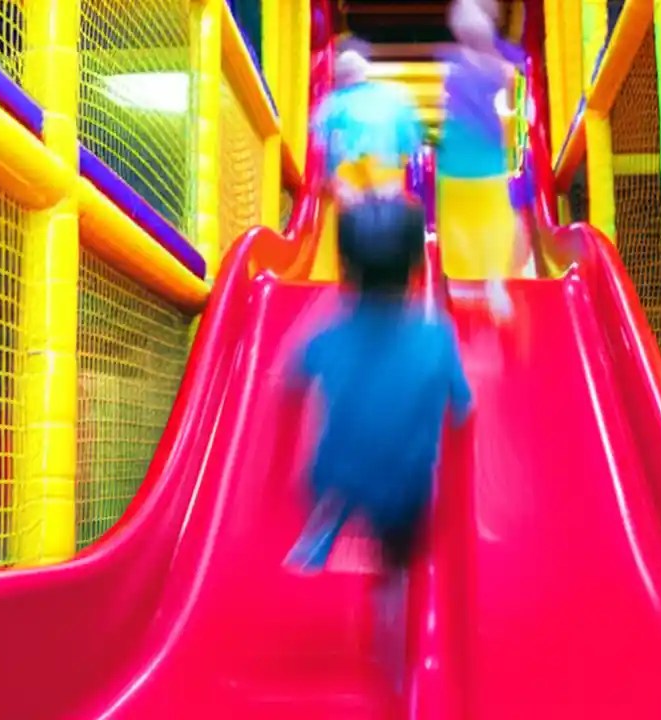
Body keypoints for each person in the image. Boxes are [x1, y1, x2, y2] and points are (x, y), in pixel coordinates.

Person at [284, 198, 474, 689]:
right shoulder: (437, 335)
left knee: (336, 458)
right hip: (403, 489)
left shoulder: (327, 335)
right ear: (416, 269)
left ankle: (324, 525)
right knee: (398, 549)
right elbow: (463, 408)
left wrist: (278, 463)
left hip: (332, 476)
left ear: (345, 269)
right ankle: (390, 621)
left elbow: (289, 381)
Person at [438, 0, 522, 318]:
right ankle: (495, 282)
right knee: (496, 223)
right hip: (488, 164)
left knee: (456, 223)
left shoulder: (450, 66)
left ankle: (456, 280)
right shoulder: (500, 68)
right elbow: (513, 84)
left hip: (452, 165)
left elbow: (444, 108)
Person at [312, 36, 425, 206]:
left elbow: (318, 141)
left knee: (352, 220)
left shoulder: (332, 103)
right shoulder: (396, 96)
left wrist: (327, 178)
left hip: (348, 181)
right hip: (386, 175)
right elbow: (411, 139)